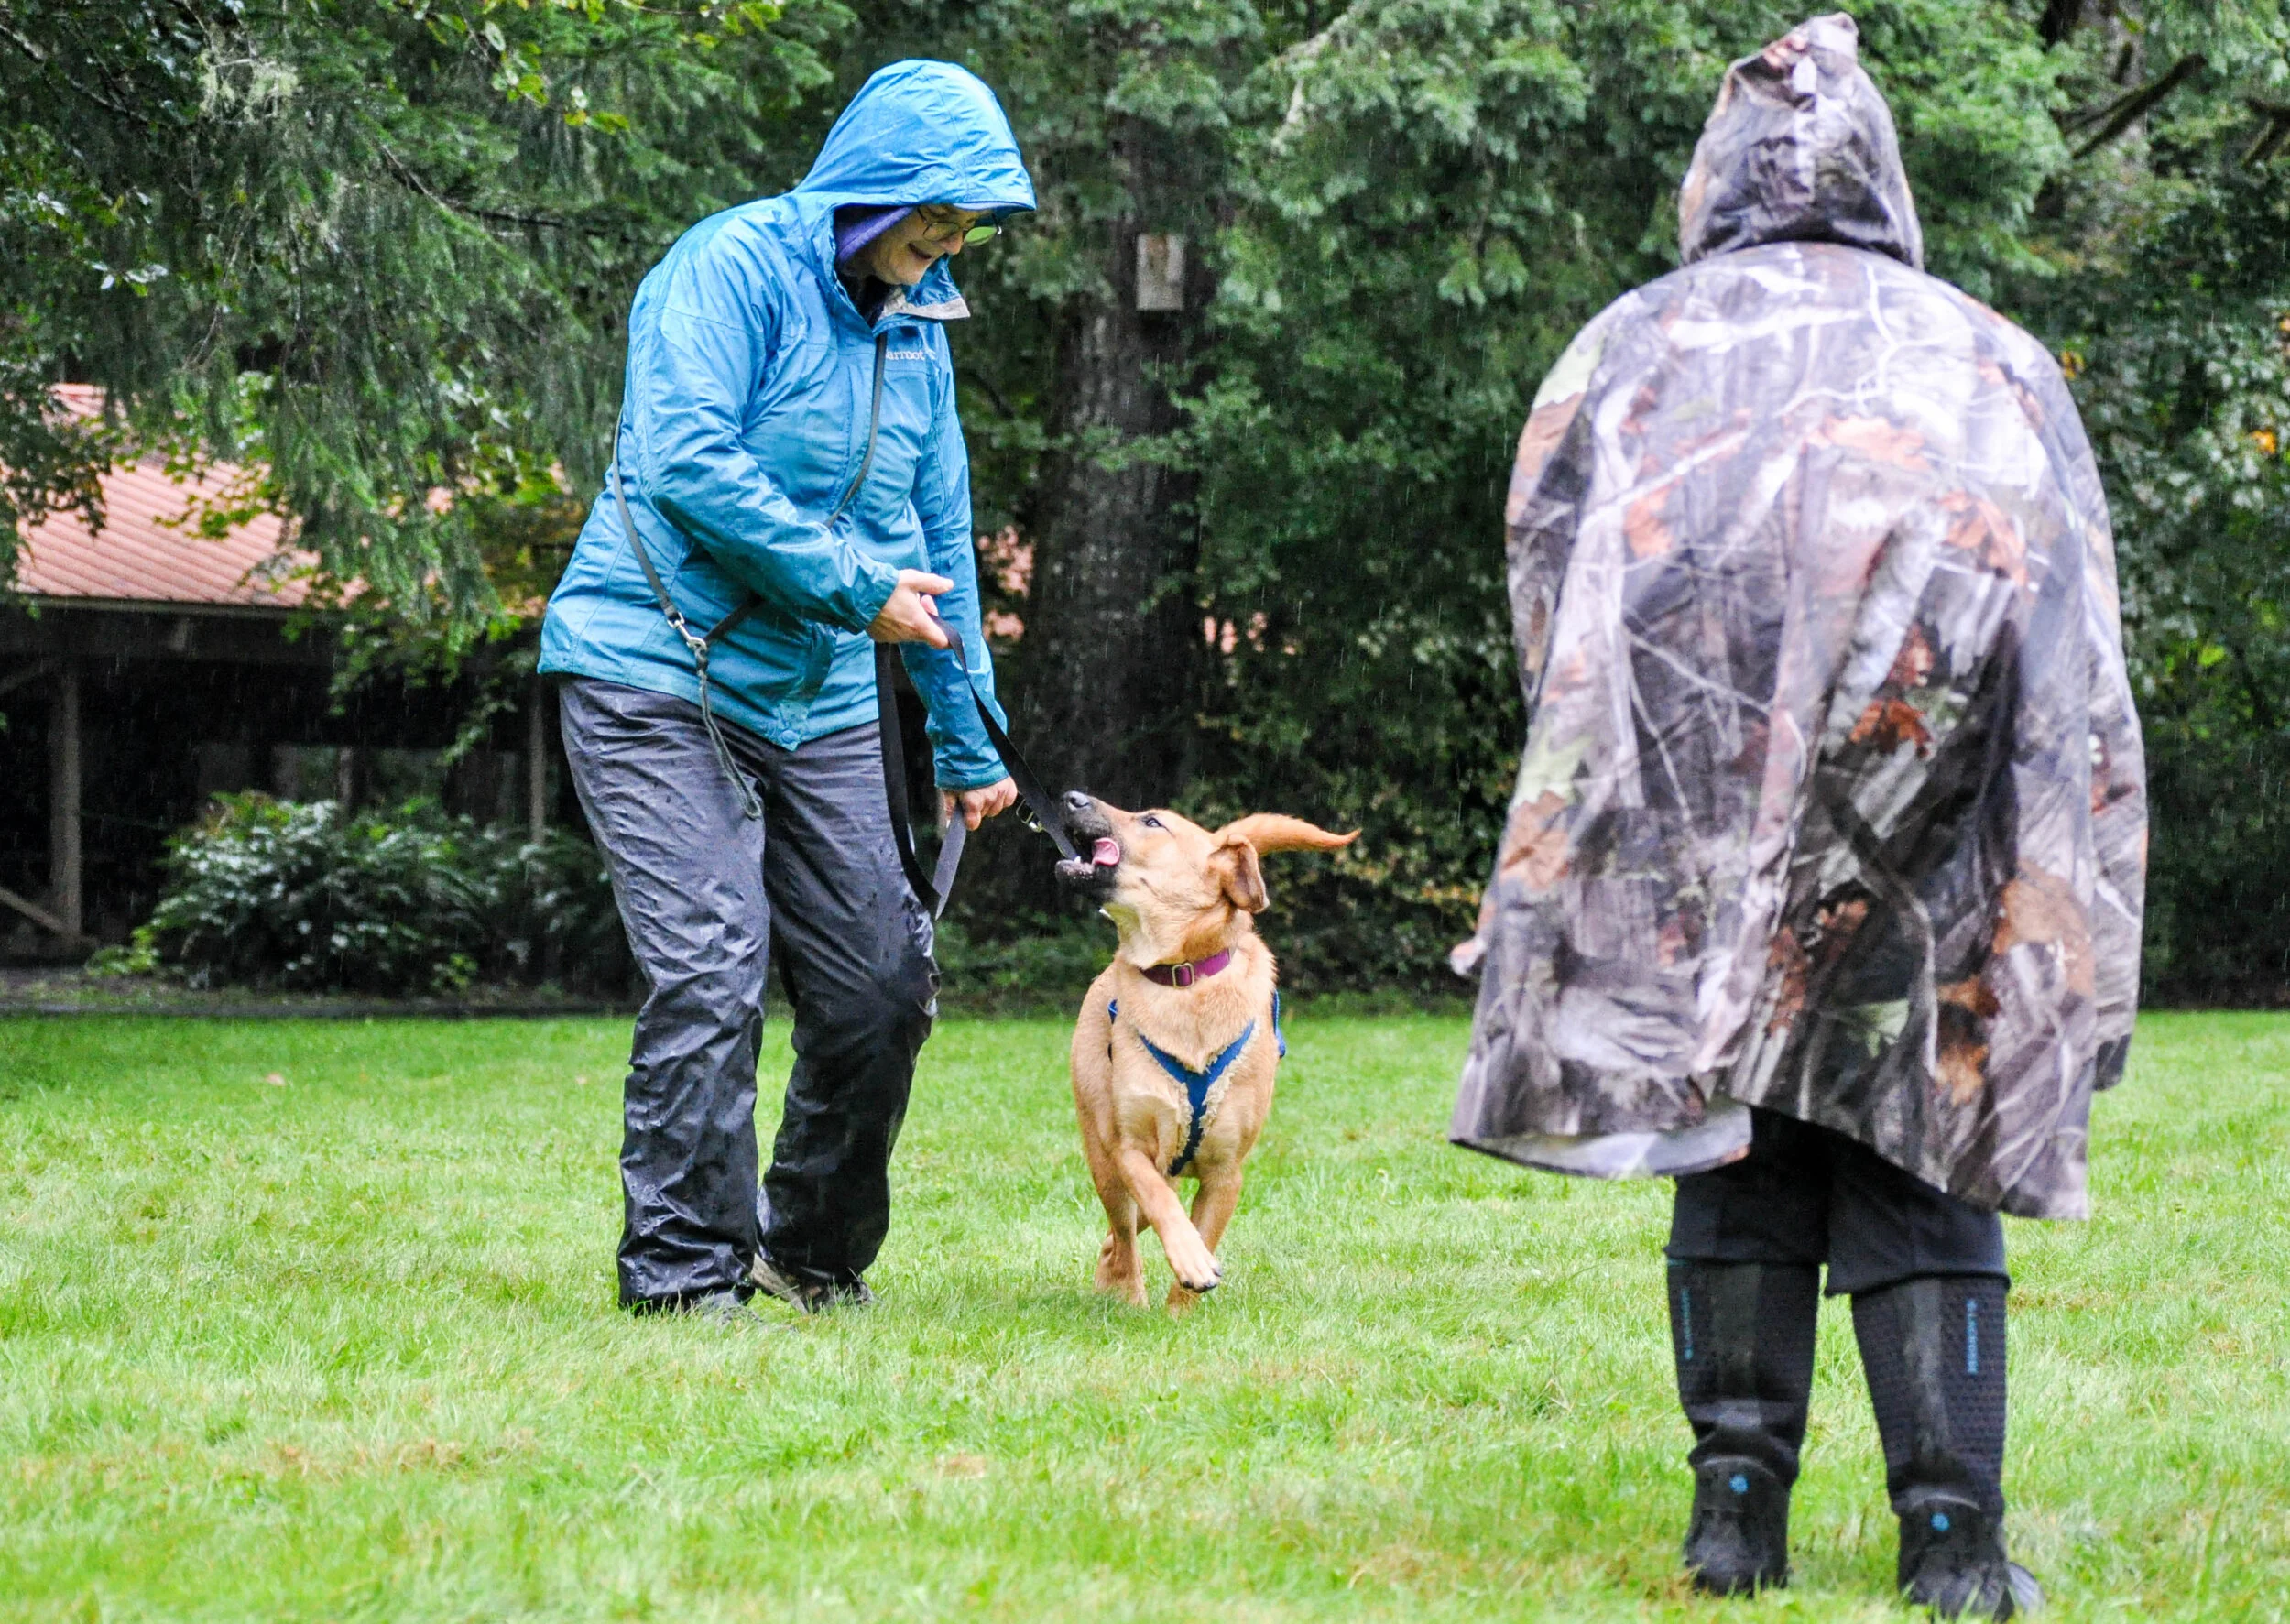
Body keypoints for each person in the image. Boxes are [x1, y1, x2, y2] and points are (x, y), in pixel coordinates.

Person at [1447, 16, 2144, 1618]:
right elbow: (2078, 635)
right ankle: (1954, 1546)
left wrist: (1605, 814)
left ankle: (1736, 1522)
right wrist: (2081, 874)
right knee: (1921, 1147)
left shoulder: (1627, 349)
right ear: (1886, 174)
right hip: (1942, 818)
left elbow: (1552, 600)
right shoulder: (1990, 355)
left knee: (1741, 1137)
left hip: (1698, 820)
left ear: (1718, 182)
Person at [539, 60, 1033, 1317]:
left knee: (881, 978)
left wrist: (968, 738)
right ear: (872, 188)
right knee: (711, 966)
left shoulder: (919, 328)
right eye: (936, 211)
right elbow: (688, 458)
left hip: (816, 694)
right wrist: (850, 581)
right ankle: (683, 1279)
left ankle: (805, 1253)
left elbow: (938, 540)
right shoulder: (729, 269)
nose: (951, 239)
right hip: (658, 663)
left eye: (968, 221)